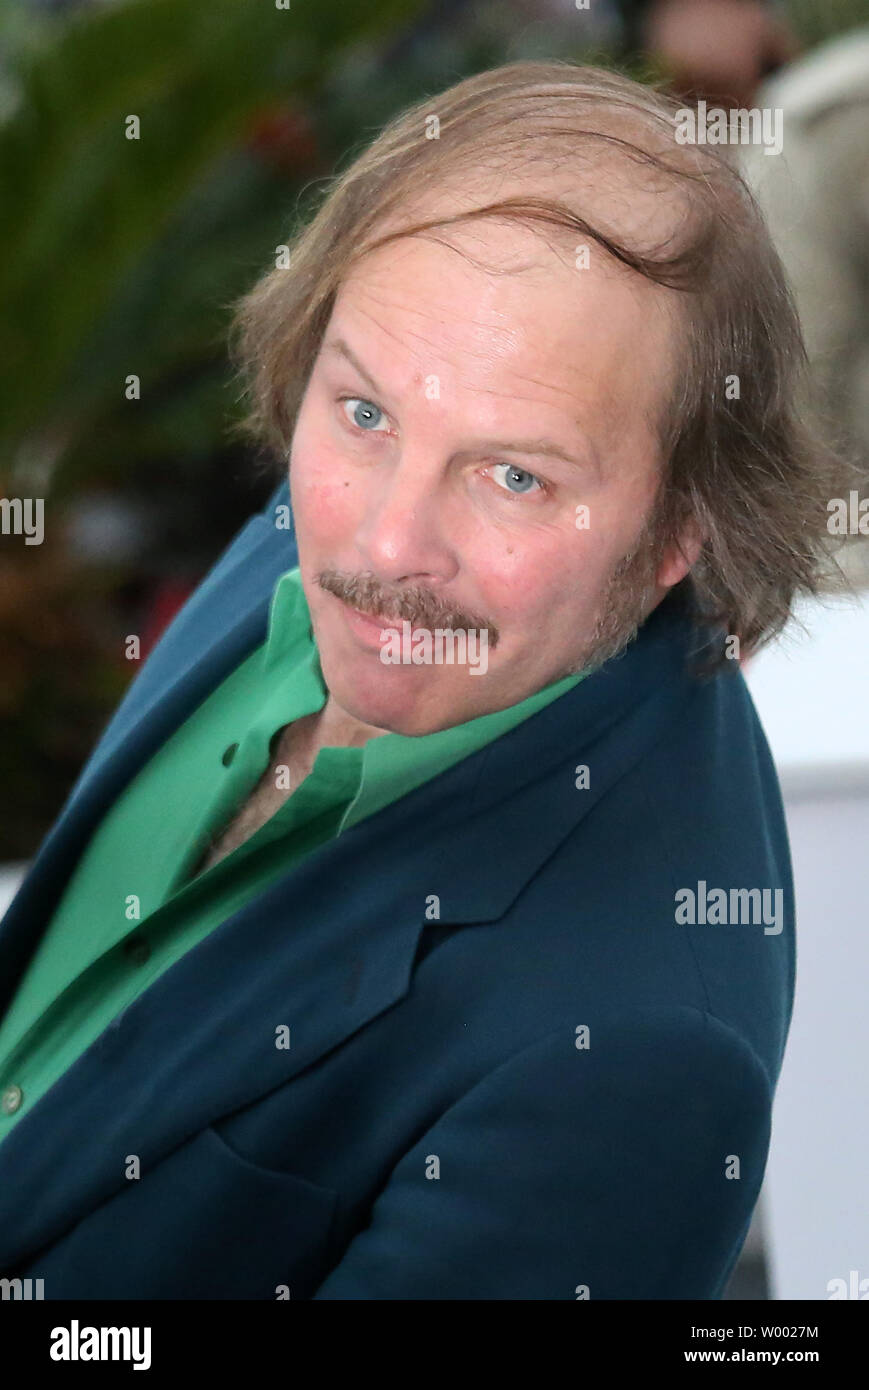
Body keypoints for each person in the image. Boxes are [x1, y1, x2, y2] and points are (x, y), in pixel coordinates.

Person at [0, 60, 846, 1299]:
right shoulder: (320, 519)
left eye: (514, 477)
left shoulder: (635, 1061)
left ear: (680, 533)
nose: (380, 545)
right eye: (361, 412)